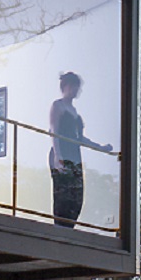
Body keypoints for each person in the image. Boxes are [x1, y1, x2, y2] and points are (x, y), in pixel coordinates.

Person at [47, 72, 114, 228]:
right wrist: (58, 155)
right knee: (63, 193)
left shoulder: (76, 113)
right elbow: (54, 131)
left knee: (76, 196)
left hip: (74, 157)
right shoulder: (58, 105)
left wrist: (100, 148)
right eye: (75, 86)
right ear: (67, 86)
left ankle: (69, 228)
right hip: (62, 153)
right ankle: (60, 228)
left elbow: (80, 138)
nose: (77, 90)